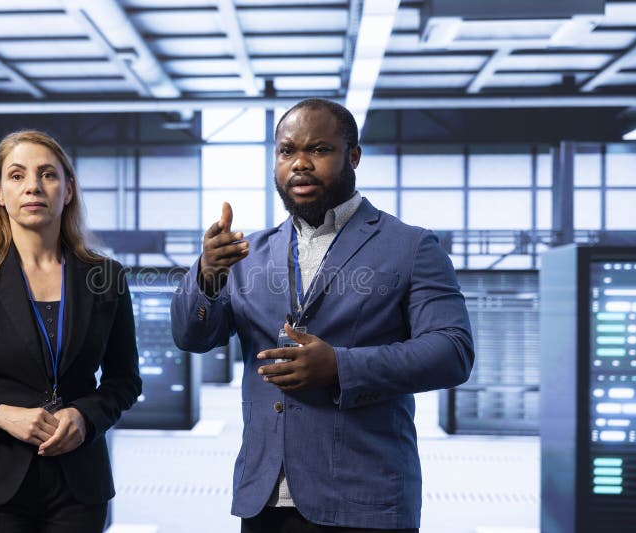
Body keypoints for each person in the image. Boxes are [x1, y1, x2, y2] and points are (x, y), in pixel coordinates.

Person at [171, 99, 474, 532]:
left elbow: (453, 352)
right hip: (266, 500)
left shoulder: (411, 247)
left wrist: (340, 366)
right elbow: (191, 336)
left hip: (366, 500)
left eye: (318, 150)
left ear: (353, 156)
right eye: (286, 151)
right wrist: (206, 275)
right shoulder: (247, 254)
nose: (299, 164)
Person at [0, 130, 141, 532]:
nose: (33, 187)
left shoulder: (106, 277)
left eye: (47, 175)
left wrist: (85, 416)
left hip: (78, 485)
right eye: (17, 176)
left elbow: (125, 380)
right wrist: (1, 415)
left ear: (69, 190)